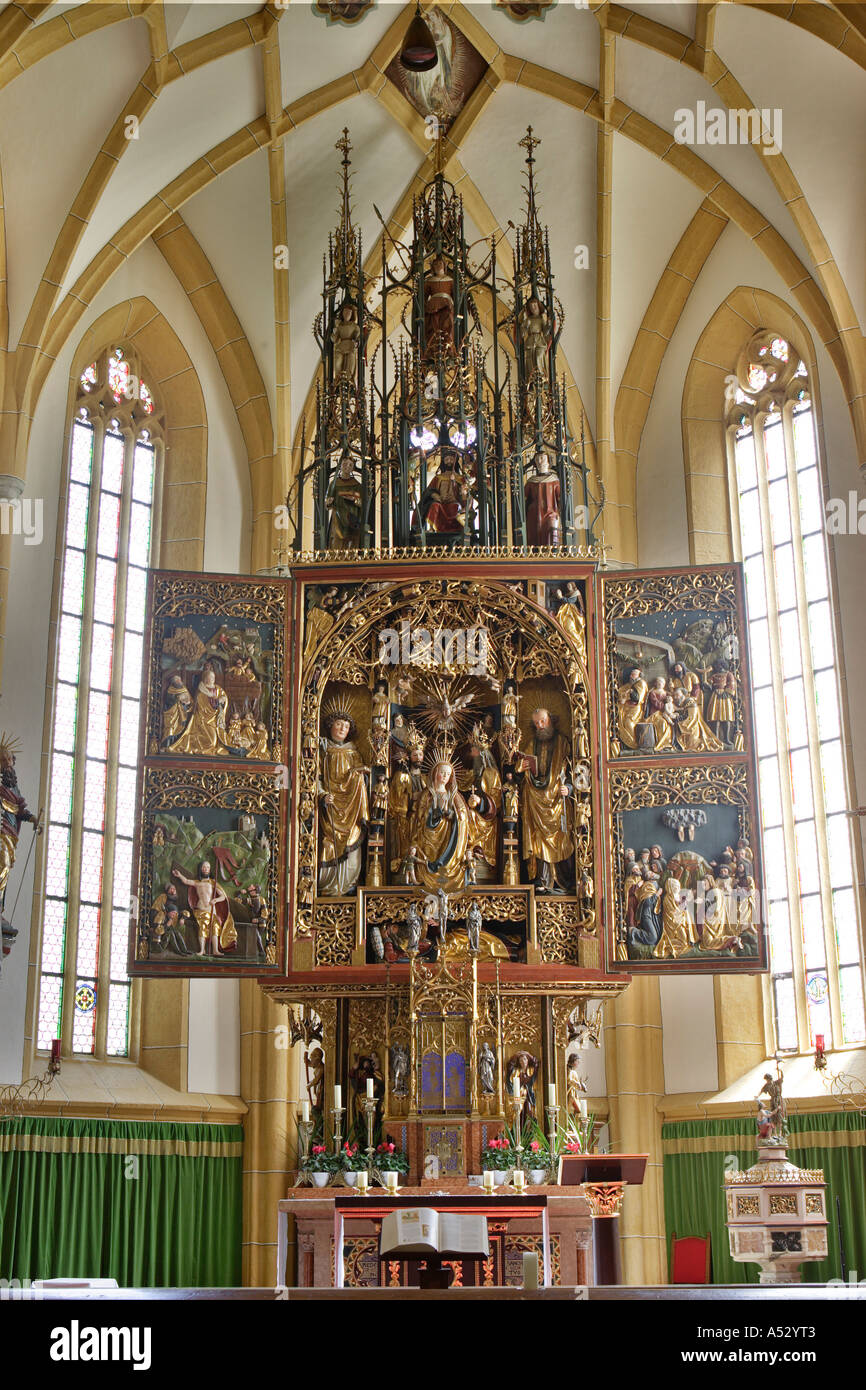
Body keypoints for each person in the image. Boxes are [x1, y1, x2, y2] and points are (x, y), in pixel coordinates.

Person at [518, 708, 573, 894]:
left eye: (543, 721)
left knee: (562, 837)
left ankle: (565, 880)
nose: (540, 726)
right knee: (538, 839)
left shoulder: (563, 743)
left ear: (551, 719)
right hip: (535, 798)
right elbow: (522, 766)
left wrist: (570, 787)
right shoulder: (531, 744)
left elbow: (578, 769)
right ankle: (541, 880)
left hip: (557, 798)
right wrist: (523, 767)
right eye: (536, 724)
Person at [317, 712, 369, 896]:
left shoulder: (353, 752)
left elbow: (362, 775)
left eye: (346, 727)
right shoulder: (323, 750)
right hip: (331, 808)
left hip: (352, 808)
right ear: (330, 725)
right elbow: (314, 777)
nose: (342, 729)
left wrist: (360, 774)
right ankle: (328, 888)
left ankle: (348, 886)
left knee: (353, 845)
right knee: (329, 845)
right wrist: (323, 795)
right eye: (339, 724)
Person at [408, 759, 471, 895]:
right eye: (442, 772)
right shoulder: (427, 794)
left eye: (448, 774)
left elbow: (463, 817)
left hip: (450, 836)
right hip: (430, 834)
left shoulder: (454, 795)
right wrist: (434, 813)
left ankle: (449, 870)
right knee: (427, 845)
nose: (444, 776)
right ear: (435, 773)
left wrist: (452, 816)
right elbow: (420, 816)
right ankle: (429, 870)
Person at [168, 665, 236, 756]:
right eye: (210, 677)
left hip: (214, 720)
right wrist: (217, 701)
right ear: (205, 679)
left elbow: (224, 698)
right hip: (203, 721)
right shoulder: (201, 692)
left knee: (215, 741)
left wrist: (223, 700)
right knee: (212, 742)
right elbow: (202, 707)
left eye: (213, 677)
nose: (212, 679)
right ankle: (190, 742)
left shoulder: (218, 689)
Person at [172, 860, 237, 955]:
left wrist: (215, 900)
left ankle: (215, 950)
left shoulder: (212, 883)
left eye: (208, 867)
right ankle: (202, 950)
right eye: (204, 867)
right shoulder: (197, 883)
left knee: (215, 927)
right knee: (203, 927)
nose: (206, 869)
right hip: (201, 909)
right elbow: (186, 881)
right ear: (200, 869)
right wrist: (180, 875)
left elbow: (223, 896)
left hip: (212, 909)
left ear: (210, 870)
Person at [326, 453, 364, 550]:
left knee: (351, 543)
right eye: (344, 464)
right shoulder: (334, 484)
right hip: (338, 517)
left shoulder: (357, 485)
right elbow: (327, 503)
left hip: (352, 517)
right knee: (336, 542)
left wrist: (355, 500)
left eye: (350, 465)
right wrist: (329, 502)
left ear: (353, 468)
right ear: (340, 466)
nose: (347, 467)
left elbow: (363, 503)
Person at [524, 452, 561, 546]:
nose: (540, 462)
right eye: (537, 459)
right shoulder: (531, 482)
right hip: (534, 515)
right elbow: (524, 500)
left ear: (548, 462)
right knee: (534, 538)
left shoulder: (554, 481)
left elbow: (560, 499)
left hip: (550, 513)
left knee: (551, 536)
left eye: (542, 459)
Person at [616, 668, 647, 750]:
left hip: (636, 707)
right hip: (627, 706)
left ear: (639, 675)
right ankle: (629, 743)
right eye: (630, 674)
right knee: (622, 719)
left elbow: (637, 698)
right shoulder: (631, 684)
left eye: (633, 674)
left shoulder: (641, 683)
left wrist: (631, 692)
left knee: (628, 721)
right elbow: (621, 691)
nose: (630, 676)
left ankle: (634, 743)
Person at [161, 674, 193, 745]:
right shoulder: (170, 690)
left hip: (183, 712)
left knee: (182, 728)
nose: (179, 682)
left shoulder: (184, 689)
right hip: (173, 713)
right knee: (171, 729)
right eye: (177, 680)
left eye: (179, 680)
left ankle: (178, 744)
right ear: (173, 682)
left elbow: (190, 700)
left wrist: (188, 702)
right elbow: (168, 701)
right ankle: (168, 744)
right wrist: (178, 698)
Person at [332, 302, 360, 381]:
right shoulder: (340, 326)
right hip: (341, 347)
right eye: (345, 312)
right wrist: (335, 329)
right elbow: (334, 339)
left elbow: (358, 336)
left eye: (349, 312)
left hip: (350, 346)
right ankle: (338, 380)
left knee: (350, 364)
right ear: (342, 313)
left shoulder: (354, 326)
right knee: (337, 361)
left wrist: (356, 342)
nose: (347, 314)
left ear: (352, 314)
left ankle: (349, 381)